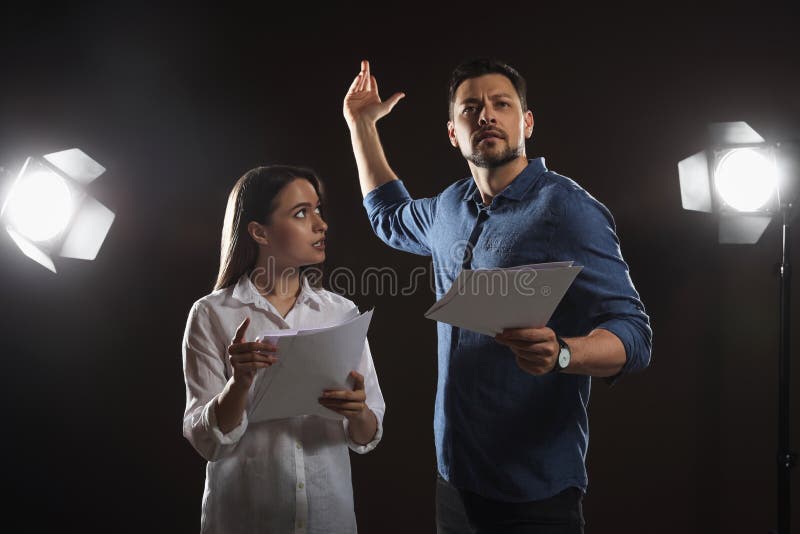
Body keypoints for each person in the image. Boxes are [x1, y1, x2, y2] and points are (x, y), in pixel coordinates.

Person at [342, 58, 652, 533]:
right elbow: (389, 215)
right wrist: (362, 125)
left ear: (525, 121)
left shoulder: (568, 209)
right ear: (453, 132)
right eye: (470, 108)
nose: (485, 115)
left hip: (535, 493)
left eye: (501, 104)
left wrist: (564, 354)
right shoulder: (448, 207)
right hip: (455, 482)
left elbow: (634, 336)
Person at [181, 165, 385, 534]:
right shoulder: (212, 313)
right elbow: (205, 440)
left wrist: (357, 412)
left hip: (329, 520)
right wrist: (239, 384)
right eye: (301, 213)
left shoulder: (341, 312)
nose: (321, 224)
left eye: (318, 209)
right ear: (259, 232)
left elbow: (368, 432)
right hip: (246, 520)